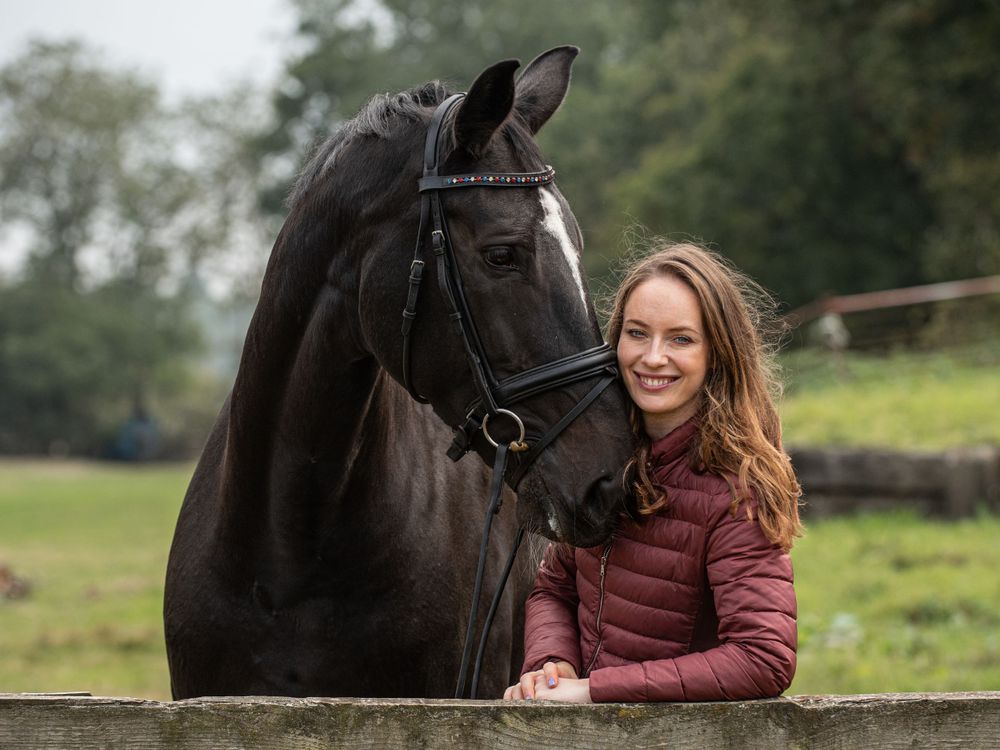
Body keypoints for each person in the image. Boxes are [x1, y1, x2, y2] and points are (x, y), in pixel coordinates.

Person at [504, 242, 802, 703]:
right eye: (638, 333)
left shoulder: (737, 487)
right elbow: (553, 589)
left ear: (717, 353)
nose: (653, 357)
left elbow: (762, 658)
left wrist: (593, 691)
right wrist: (553, 661)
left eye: (680, 339)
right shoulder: (601, 456)